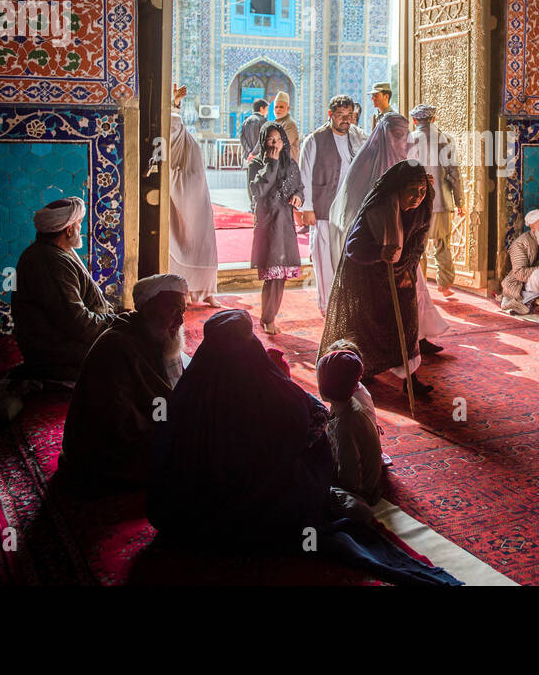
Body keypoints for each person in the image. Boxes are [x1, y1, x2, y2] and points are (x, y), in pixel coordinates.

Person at [148, 309, 461, 585]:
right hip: (266, 515)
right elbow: (311, 417)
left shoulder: (190, 392)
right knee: (309, 449)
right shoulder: (265, 384)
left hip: (187, 516)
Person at [328, 111, 451, 356]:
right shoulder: (367, 162)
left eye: (405, 134)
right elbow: (358, 204)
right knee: (378, 301)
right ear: (384, 134)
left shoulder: (406, 157)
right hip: (378, 243)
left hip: (405, 239)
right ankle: (384, 350)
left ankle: (418, 337)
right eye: (397, 134)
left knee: (413, 288)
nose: (402, 140)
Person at [58, 274, 188, 492]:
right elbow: (119, 424)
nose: (180, 321)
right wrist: (175, 433)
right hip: (107, 459)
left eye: (183, 311)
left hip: (141, 438)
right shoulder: (116, 347)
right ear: (147, 309)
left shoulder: (157, 338)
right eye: (173, 310)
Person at [320, 159, 437, 398]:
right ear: (398, 189)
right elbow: (354, 248)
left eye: (422, 191)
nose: (417, 196)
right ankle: (364, 369)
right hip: (367, 276)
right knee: (368, 327)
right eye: (411, 190)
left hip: (402, 273)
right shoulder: (378, 210)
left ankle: (411, 379)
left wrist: (405, 268)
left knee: (406, 325)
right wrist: (380, 253)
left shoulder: (423, 208)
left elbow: (418, 244)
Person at [9, 196, 119, 382]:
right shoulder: (51, 263)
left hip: (63, 345)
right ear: (69, 230)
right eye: (79, 224)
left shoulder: (53, 252)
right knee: (134, 350)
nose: (80, 229)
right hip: (59, 357)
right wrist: (116, 323)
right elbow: (78, 324)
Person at [299, 95, 368, 314]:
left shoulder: (357, 137)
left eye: (349, 116)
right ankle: (327, 305)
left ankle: (346, 302)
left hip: (350, 210)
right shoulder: (315, 140)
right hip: (323, 209)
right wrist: (306, 208)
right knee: (324, 259)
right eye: (341, 116)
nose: (346, 120)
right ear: (330, 115)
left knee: (348, 258)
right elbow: (304, 174)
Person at [247, 122, 303, 335]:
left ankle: (268, 317)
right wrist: (271, 162)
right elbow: (258, 190)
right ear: (263, 142)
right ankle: (267, 318)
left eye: (278, 140)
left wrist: (299, 197)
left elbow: (299, 186)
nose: (275, 144)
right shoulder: (256, 164)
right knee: (272, 274)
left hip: (285, 225)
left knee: (280, 276)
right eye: (271, 140)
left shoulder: (290, 164)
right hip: (268, 225)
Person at [168, 84, 218, 305]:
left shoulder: (187, 141)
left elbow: (175, 123)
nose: (175, 131)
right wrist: (175, 104)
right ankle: (185, 292)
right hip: (180, 205)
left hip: (199, 206)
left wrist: (176, 104)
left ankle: (207, 292)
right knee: (180, 245)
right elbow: (172, 124)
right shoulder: (170, 150)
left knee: (204, 246)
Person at [409, 104, 465, 298]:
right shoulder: (446, 139)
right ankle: (445, 285)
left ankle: (419, 287)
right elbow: (454, 174)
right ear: (433, 119)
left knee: (417, 246)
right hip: (441, 202)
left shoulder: (409, 140)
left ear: (415, 121)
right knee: (443, 244)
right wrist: (459, 201)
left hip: (416, 203)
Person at [317, 347, 384, 503]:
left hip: (361, 493)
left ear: (327, 387)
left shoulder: (345, 425)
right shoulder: (344, 404)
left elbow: (351, 474)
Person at [272, 91, 301, 161]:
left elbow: (282, 144)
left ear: (287, 109)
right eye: (276, 107)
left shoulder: (290, 124)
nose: (278, 110)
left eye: (281, 107)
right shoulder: (277, 123)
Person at [238, 97, 268, 161]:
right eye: (266, 109)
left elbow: (242, 138)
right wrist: (253, 153)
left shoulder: (245, 121)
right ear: (261, 108)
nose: (267, 112)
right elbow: (262, 139)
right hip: (259, 157)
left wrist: (249, 152)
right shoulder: (263, 121)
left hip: (247, 157)